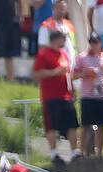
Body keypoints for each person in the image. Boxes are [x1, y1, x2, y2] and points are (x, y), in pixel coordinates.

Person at [34, 29, 77, 159]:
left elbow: (68, 73)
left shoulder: (63, 54)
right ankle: (54, 153)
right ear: (55, 39)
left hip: (66, 95)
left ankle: (75, 152)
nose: (64, 41)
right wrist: (55, 72)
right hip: (50, 96)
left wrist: (72, 89)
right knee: (51, 125)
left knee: (72, 124)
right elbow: (37, 74)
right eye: (63, 39)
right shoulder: (44, 54)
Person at [0, 0, 24, 81]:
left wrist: (20, 14)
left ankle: (11, 80)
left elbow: (20, 1)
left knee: (9, 54)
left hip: (11, 20)